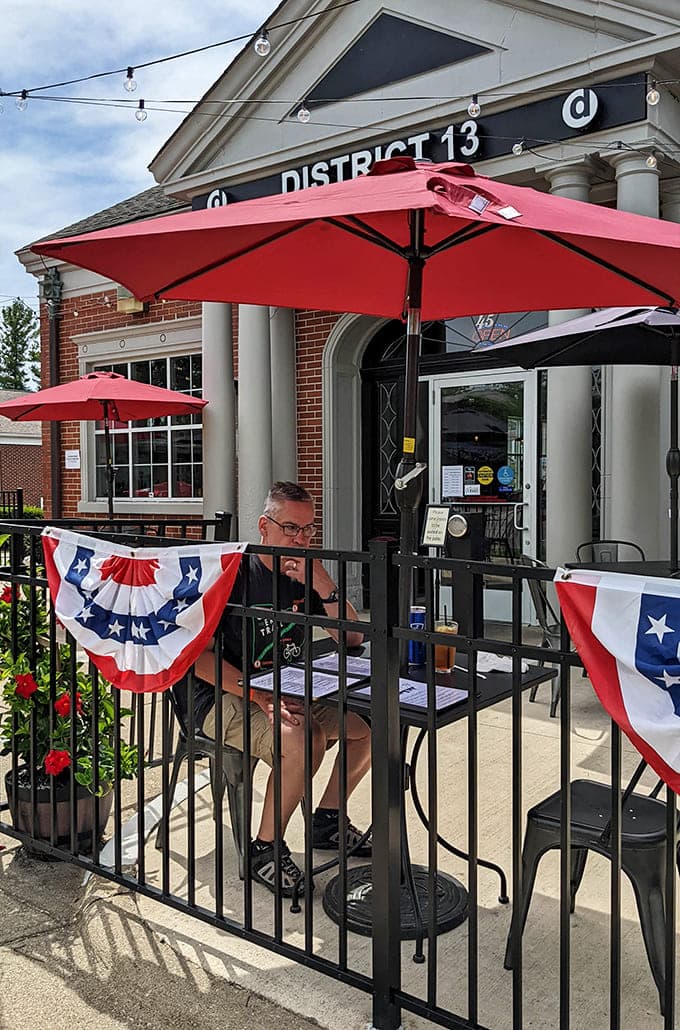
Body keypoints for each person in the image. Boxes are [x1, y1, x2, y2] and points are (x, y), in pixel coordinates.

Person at [197, 481, 371, 897]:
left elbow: (350, 638)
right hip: (223, 694)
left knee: (369, 725)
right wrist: (257, 696)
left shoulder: (303, 575)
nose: (301, 539)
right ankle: (265, 849)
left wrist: (322, 580)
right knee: (302, 737)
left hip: (289, 689)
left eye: (309, 530)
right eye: (291, 528)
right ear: (264, 526)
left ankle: (327, 820)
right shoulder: (230, 573)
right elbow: (198, 658)